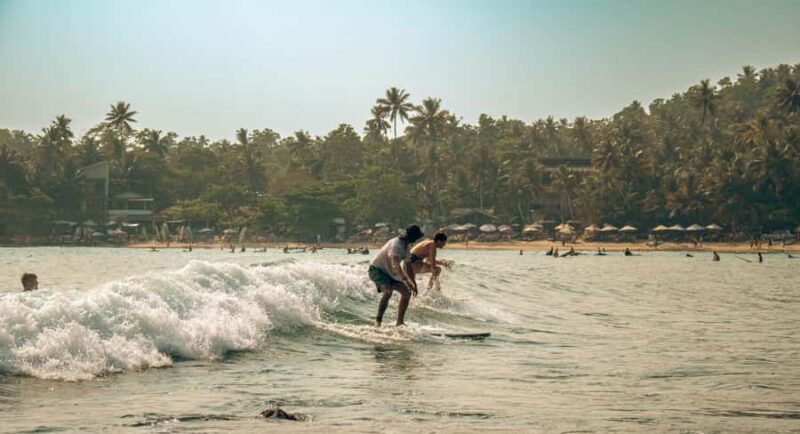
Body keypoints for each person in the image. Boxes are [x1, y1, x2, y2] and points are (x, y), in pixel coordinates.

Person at [368, 225, 424, 327]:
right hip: (377, 270)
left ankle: (399, 322)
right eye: (416, 238)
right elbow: (395, 264)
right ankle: (378, 321)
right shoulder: (396, 245)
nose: (416, 240)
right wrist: (406, 280)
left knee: (407, 293)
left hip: (391, 273)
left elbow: (408, 266)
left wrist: (413, 283)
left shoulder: (407, 246)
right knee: (388, 292)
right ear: (411, 237)